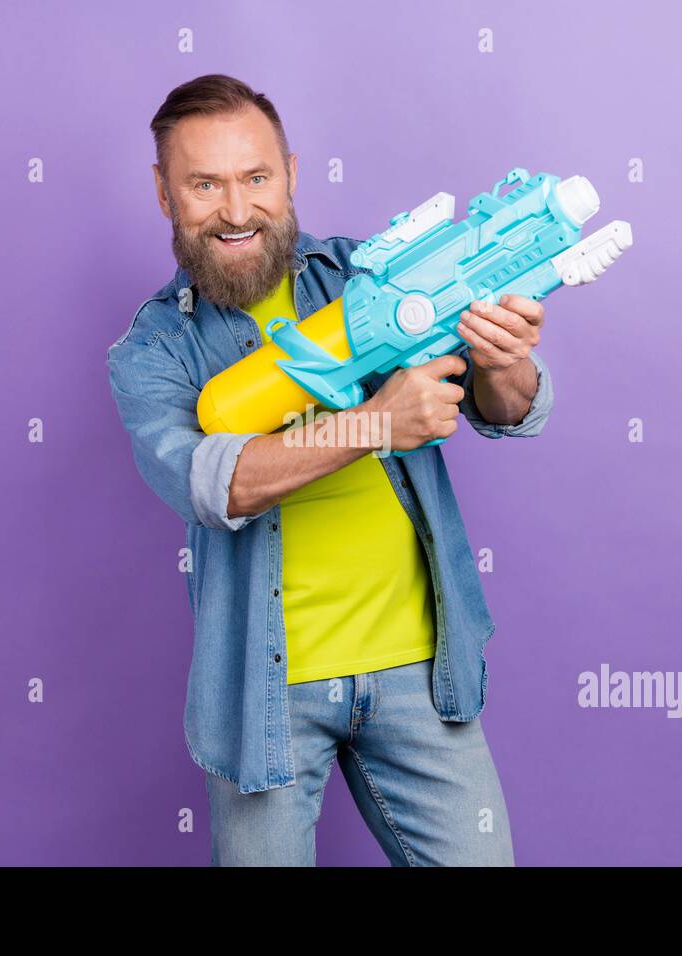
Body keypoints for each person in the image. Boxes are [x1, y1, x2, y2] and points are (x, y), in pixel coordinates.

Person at [106, 73, 554, 866]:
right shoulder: (152, 351)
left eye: (256, 178)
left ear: (291, 174)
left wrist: (503, 359)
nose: (237, 210)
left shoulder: (366, 277)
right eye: (204, 184)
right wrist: (378, 421)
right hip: (264, 696)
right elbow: (214, 484)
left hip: (423, 674)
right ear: (164, 193)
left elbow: (507, 408)